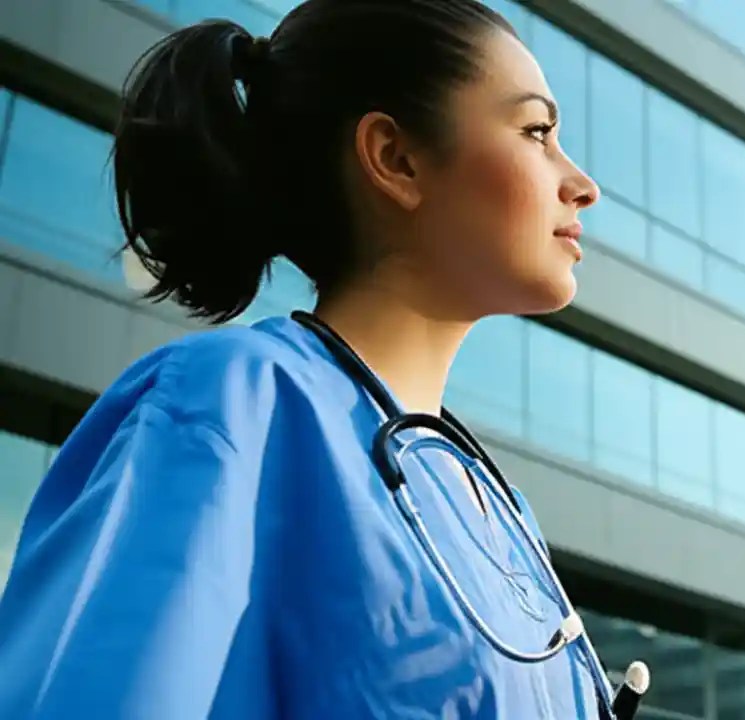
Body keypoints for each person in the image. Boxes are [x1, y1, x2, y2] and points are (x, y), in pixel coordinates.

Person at [0, 0, 612, 717]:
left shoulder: (493, 503)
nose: (582, 184)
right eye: (536, 131)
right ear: (396, 159)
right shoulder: (232, 402)